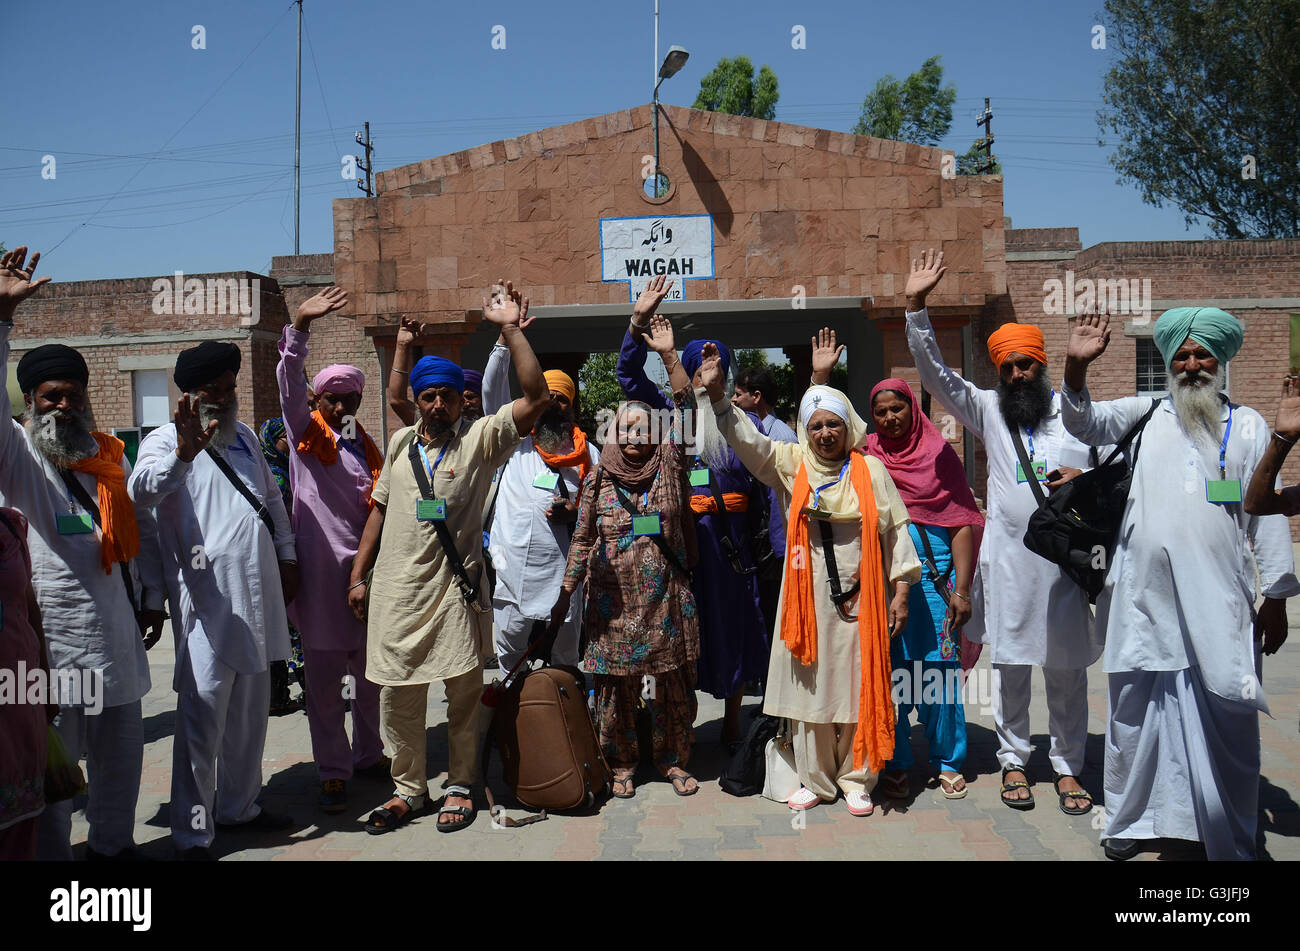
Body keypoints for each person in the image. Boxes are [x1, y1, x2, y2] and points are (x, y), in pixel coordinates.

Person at [1063, 308, 1298, 860]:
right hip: (1143, 599)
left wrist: (1279, 596)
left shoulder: (1248, 426)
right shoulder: (1145, 413)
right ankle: (1129, 824)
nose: (1191, 365)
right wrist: (1075, 367)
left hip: (1220, 602)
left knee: (1227, 716)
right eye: (1182, 356)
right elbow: (1082, 422)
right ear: (1169, 363)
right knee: (1133, 715)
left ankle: (1230, 834)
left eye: (1202, 355)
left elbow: (1263, 513)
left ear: (1222, 362)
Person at [349, 284, 549, 834]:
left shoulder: (481, 440)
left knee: (463, 697)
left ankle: (460, 786)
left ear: (463, 400)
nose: (438, 404)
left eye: (447, 395)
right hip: (396, 596)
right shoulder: (399, 445)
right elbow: (379, 511)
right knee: (398, 701)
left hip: (455, 594)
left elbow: (534, 398)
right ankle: (408, 791)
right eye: (428, 396)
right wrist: (358, 573)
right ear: (418, 401)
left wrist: (508, 328)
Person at [904, 248, 1098, 815]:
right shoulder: (987, 407)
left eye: (1026, 365)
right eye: (1008, 366)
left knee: (1065, 670)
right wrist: (916, 307)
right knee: (1010, 665)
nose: (1016, 374)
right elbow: (936, 377)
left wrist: (1084, 475)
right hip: (1009, 564)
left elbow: (1112, 470)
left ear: (1041, 366)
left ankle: (1067, 767)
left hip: (1063, 567)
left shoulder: (1075, 412)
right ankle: (1014, 760)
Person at [0, 246, 166, 861]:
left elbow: (137, 532)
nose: (63, 405)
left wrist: (151, 600)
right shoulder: (21, 462)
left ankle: (113, 853)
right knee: (57, 780)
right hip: (57, 652)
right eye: (50, 396)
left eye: (72, 394)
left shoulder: (107, 457)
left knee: (122, 764)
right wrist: (1, 321)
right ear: (30, 403)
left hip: (118, 639)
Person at [704, 350, 918, 814]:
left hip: (864, 600)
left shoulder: (871, 470)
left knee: (860, 686)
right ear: (806, 431)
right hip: (806, 602)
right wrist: (719, 394)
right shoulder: (791, 464)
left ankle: (857, 777)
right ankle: (815, 779)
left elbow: (896, 530)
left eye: (833, 425)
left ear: (848, 428)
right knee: (811, 688)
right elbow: (745, 440)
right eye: (816, 426)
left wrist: (901, 592)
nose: (824, 433)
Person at [130, 340, 299, 860]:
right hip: (206, 601)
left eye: (230, 388)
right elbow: (141, 491)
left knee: (250, 716)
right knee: (203, 721)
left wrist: (288, 554)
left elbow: (270, 497)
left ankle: (239, 809)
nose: (227, 398)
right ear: (190, 394)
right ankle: (194, 831)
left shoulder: (244, 435)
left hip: (258, 595)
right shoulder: (163, 440)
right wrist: (184, 453)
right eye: (215, 390)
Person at [618, 275, 768, 747]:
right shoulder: (671, 412)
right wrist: (637, 324)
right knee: (680, 636)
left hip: (735, 552)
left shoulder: (746, 422)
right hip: (681, 549)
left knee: (737, 631)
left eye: (713, 368)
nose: (705, 377)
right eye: (696, 368)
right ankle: (678, 724)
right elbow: (629, 378)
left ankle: (730, 720)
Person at [549, 399, 701, 798]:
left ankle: (671, 759)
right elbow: (582, 538)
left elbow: (687, 416)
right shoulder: (597, 477)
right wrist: (566, 593)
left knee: (667, 684)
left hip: (665, 601)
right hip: (611, 606)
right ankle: (621, 763)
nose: (635, 436)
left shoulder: (669, 467)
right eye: (625, 429)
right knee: (617, 689)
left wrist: (670, 359)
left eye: (644, 429)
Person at [277, 286, 390, 815]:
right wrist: (300, 326)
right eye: (331, 399)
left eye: (349, 399)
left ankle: (370, 756)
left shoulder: (368, 448)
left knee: (369, 686)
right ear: (317, 403)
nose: (341, 406)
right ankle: (333, 771)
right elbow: (287, 386)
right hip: (323, 585)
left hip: (367, 579)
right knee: (325, 693)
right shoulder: (305, 436)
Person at [862, 379, 983, 800]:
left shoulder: (939, 455)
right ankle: (895, 759)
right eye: (881, 412)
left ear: (913, 409)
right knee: (890, 672)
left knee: (939, 674)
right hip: (882, 584)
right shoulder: (868, 456)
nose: (890, 417)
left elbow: (963, 521)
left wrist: (962, 590)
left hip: (935, 588)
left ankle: (948, 759)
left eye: (898, 408)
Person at [481, 330, 598, 669]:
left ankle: (561, 715)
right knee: (510, 654)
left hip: (565, 578)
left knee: (564, 656)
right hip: (513, 571)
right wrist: (505, 340)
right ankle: (512, 717)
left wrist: (577, 513)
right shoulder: (513, 443)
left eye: (562, 398)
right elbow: (492, 393)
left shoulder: (589, 455)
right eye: (547, 397)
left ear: (572, 407)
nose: (554, 404)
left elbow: (604, 507)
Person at [0, 506, 52, 860]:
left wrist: (45, 683)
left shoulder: (10, 526)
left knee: (21, 816)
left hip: (19, 691)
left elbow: (29, 606)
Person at [732, 365, 796, 651]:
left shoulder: (780, 436)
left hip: (777, 543)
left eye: (738, 394)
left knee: (775, 608)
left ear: (756, 396)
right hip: (759, 541)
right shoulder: (748, 434)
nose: (733, 400)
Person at [258, 416, 306, 716]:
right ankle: (308, 690)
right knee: (293, 630)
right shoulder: (275, 476)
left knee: (279, 630)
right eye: (284, 439)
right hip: (280, 561)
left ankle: (277, 695)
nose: (290, 444)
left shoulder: (281, 470)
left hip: (277, 559)